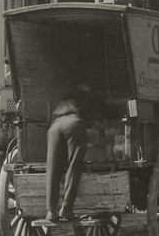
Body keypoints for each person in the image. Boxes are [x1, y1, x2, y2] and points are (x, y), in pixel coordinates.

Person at [45, 82, 111, 224]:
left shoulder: (66, 97)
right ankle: (66, 208)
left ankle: (51, 211)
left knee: (52, 169)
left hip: (55, 127)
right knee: (73, 166)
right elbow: (107, 110)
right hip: (74, 125)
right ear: (87, 88)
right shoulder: (89, 96)